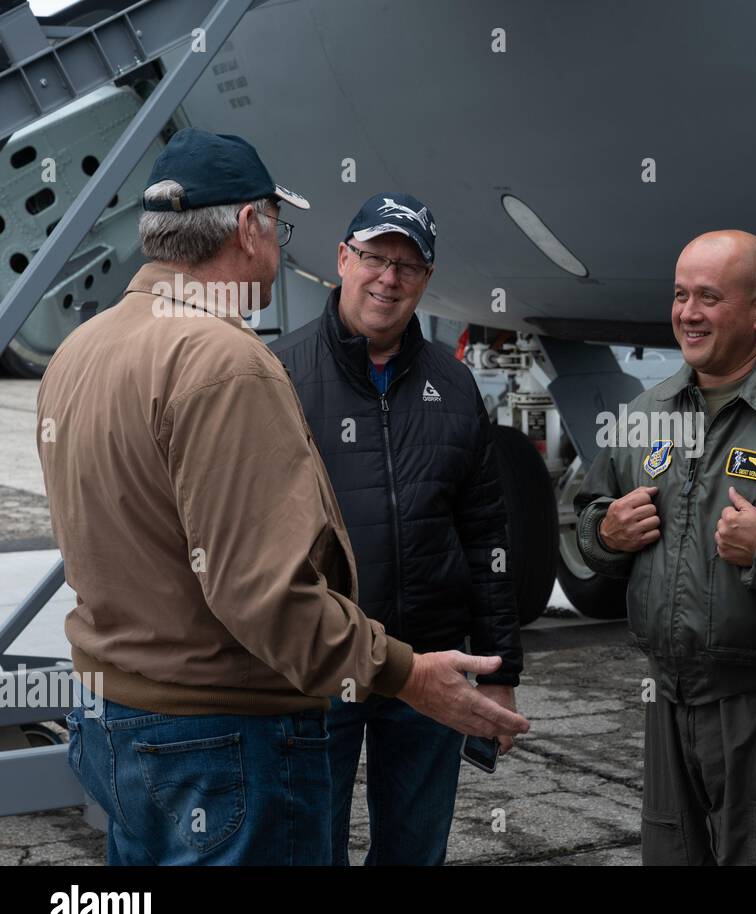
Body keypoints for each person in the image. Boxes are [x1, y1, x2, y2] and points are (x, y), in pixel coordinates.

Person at [36, 129, 527, 866]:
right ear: (247, 227)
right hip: (222, 739)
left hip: (116, 724)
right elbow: (261, 593)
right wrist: (404, 672)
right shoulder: (227, 360)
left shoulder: (81, 348)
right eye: (278, 225)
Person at [272, 192, 523, 866]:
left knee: (414, 851)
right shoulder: (279, 375)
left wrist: (501, 668)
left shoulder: (455, 384)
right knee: (308, 847)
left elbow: (486, 532)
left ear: (427, 281)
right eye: (376, 257)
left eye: (408, 267)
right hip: (319, 664)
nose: (389, 278)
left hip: (430, 663)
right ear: (342, 259)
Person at [574, 230, 756, 865]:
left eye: (709, 297)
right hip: (668, 702)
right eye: (681, 295)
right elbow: (588, 518)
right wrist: (605, 534)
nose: (688, 312)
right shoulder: (648, 411)